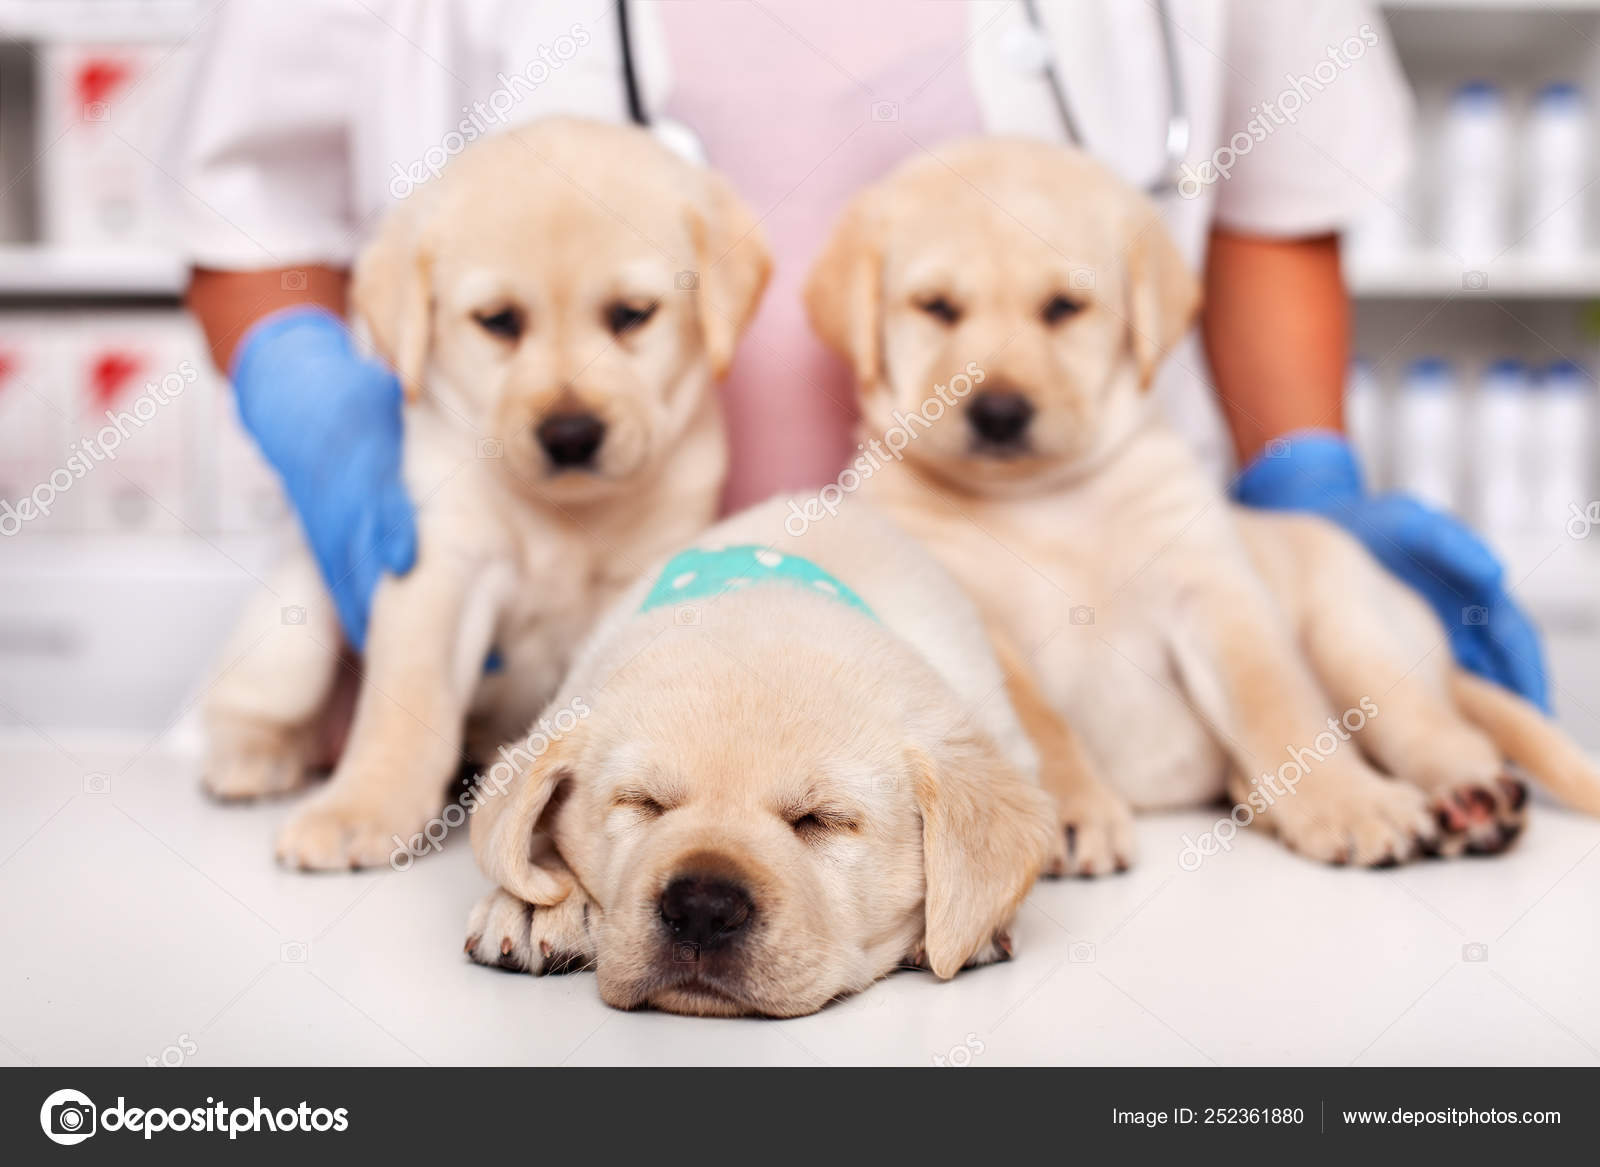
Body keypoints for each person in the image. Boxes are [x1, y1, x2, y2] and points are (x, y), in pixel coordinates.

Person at [171, 0, 1547, 707]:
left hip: (1061, 646)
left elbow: (1276, 188)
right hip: (550, 627)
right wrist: (322, 409)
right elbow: (255, 204)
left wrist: (1305, 479)